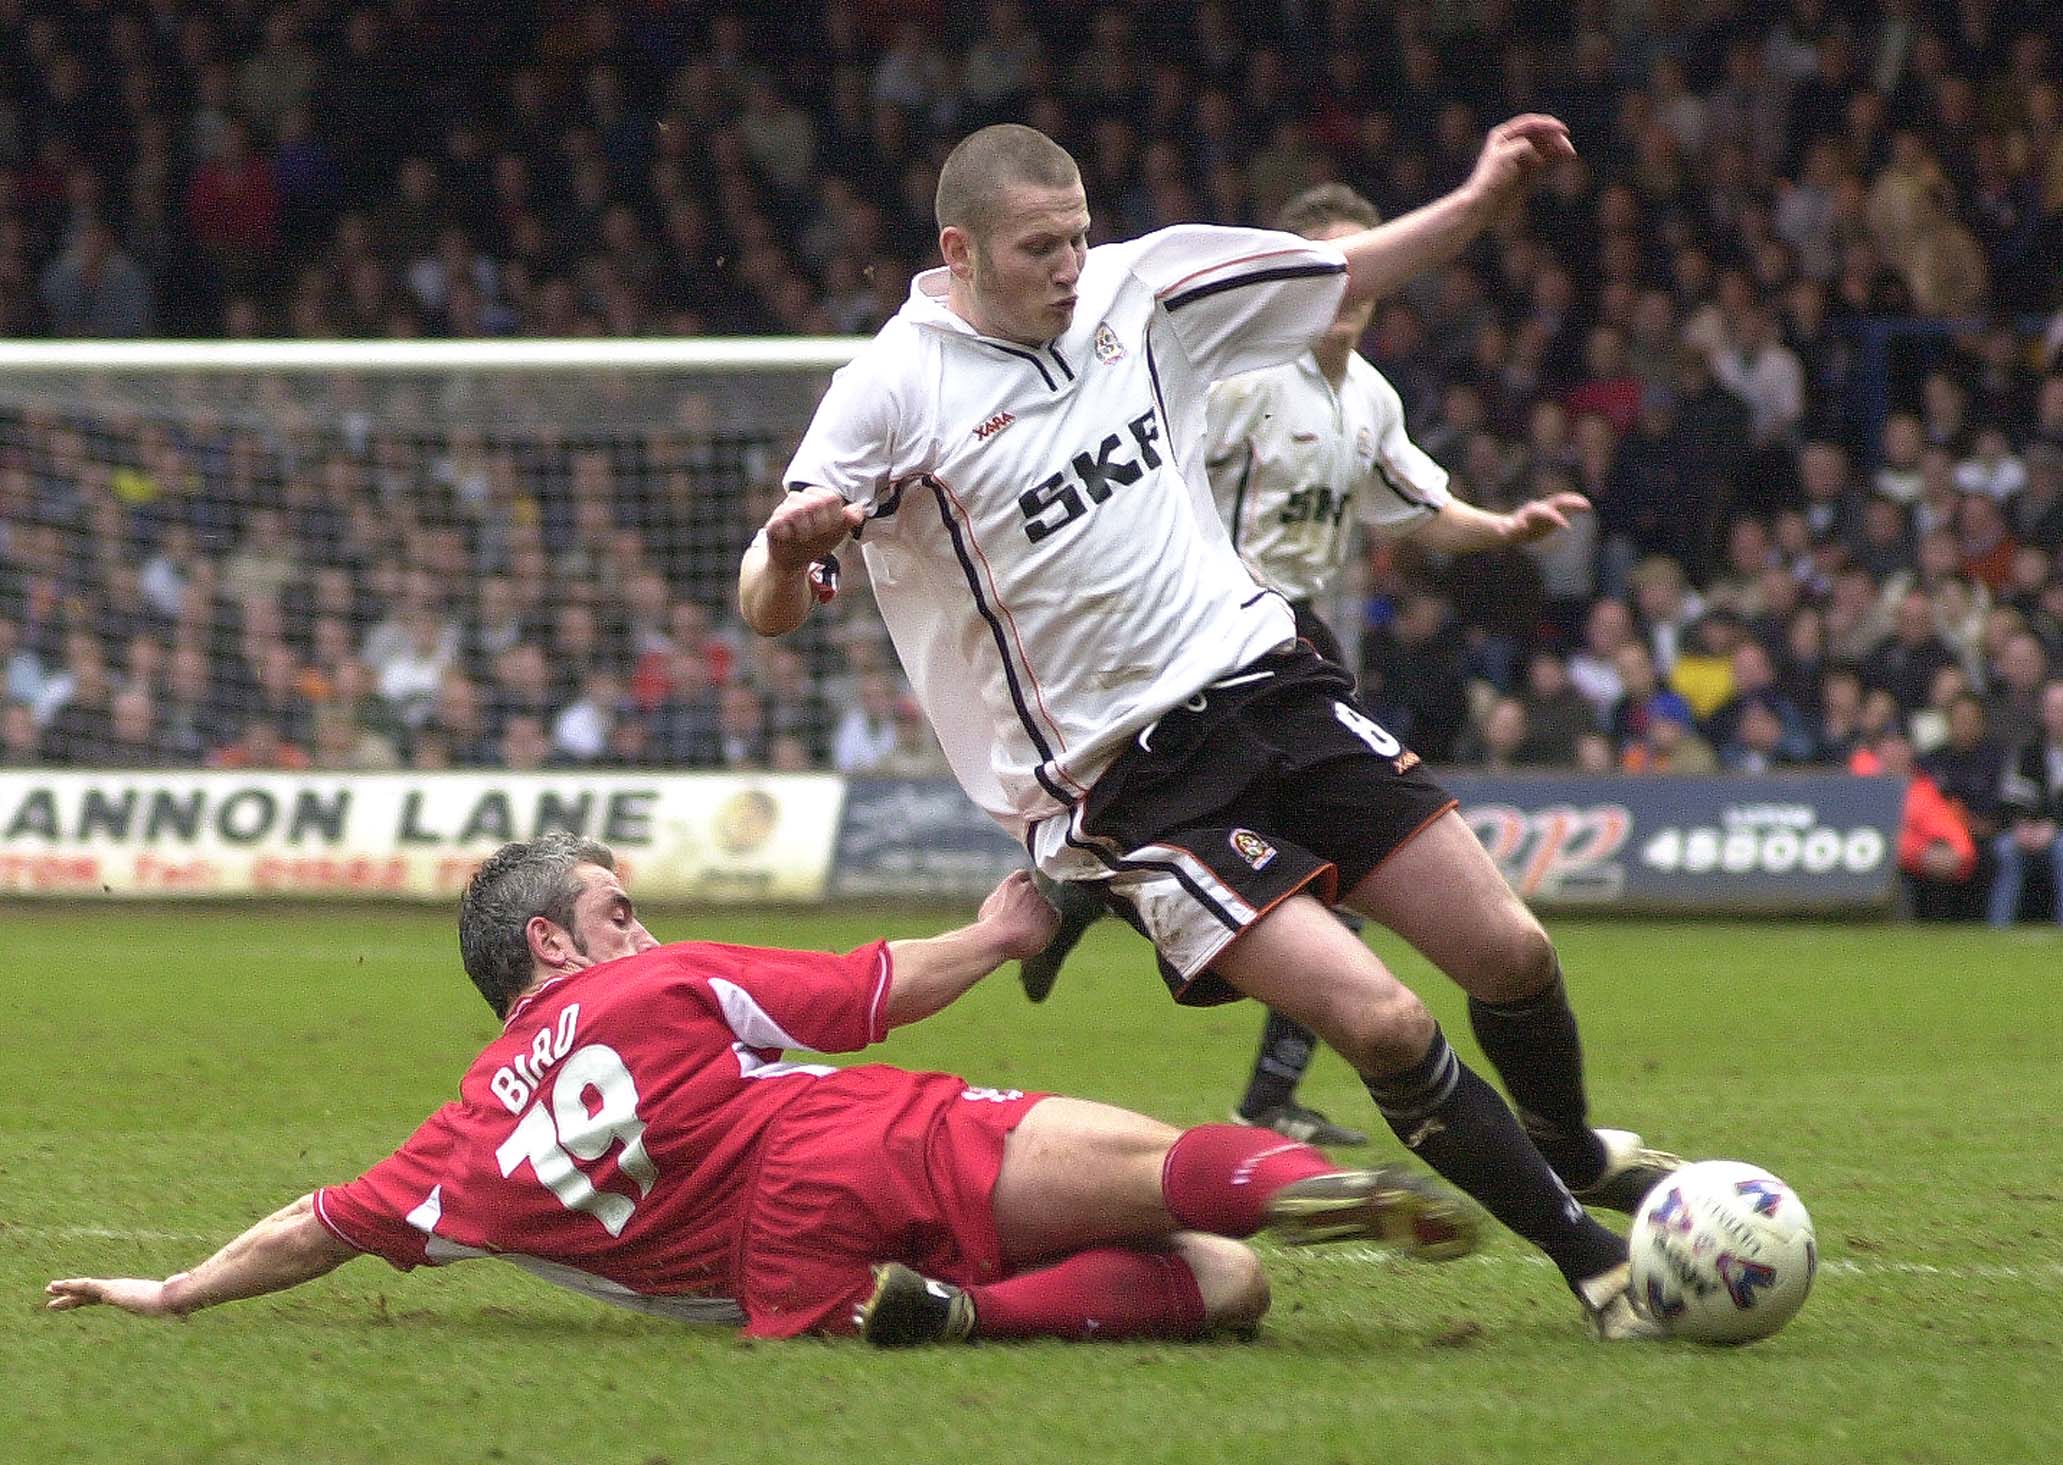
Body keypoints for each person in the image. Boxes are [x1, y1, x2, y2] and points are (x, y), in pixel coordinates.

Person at [739, 120, 1676, 1339]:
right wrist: (786, 557)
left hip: (1264, 682)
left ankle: (1562, 1139)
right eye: (1039, 247)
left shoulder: (1143, 289)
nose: (1071, 264)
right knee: (1384, 1019)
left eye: (1078, 234)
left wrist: (1478, 195)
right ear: (959, 252)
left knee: (1511, 952)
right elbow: (772, 604)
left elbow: (1342, 275)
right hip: (1124, 783)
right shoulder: (889, 391)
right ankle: (1591, 1260)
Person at [45, 834, 1482, 1346]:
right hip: (848, 1147)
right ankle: (1335, 1185)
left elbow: (320, 1222)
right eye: (617, 906)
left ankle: (958, 1316)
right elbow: (872, 993)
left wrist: (171, 1290)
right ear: (552, 942)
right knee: (1166, 1163)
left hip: (780, 1271)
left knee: (1221, 1286)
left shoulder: (465, 1138)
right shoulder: (655, 987)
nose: (643, 925)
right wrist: (1001, 932)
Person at [1015, 182, 1592, 1151]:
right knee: (1308, 889)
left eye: (1361, 264)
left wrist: (1501, 529)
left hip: (1299, 643)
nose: (1349, 288)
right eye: (1328, 263)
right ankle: (1097, 891)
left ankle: (1091, 902)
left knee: (1327, 888)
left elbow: (1409, 503)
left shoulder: (1369, 396)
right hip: (1214, 641)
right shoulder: (1237, 380)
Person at [1986, 679, 2063, 928]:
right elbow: (2013, 797)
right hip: (2029, 831)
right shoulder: (2028, 752)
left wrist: (2053, 827)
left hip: (2057, 835)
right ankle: (1999, 930)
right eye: (2053, 708)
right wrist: (2022, 826)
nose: (2058, 716)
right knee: (2006, 849)